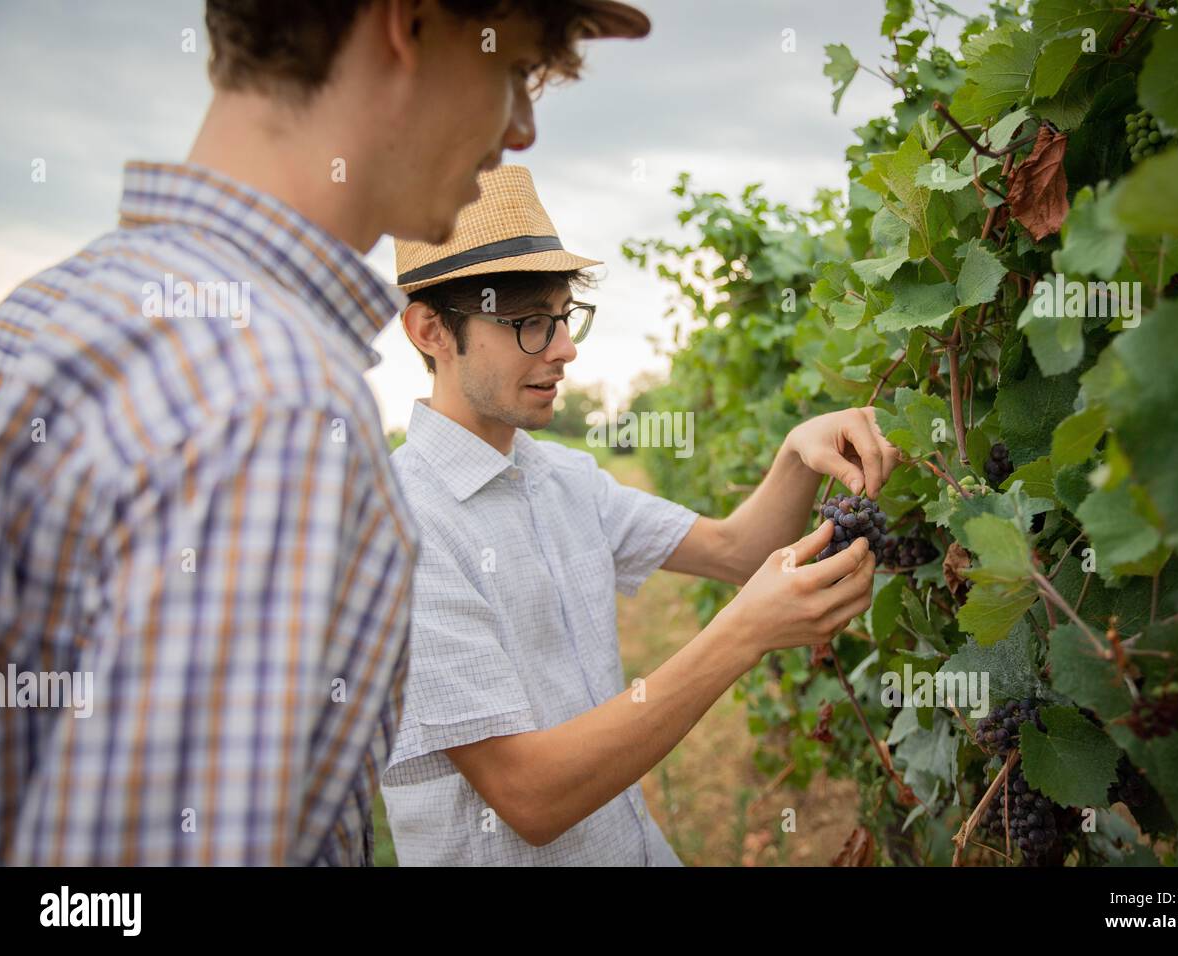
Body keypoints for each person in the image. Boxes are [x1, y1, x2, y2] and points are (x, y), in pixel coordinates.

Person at [0, 0, 652, 866]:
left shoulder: (40, 313)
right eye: (510, 70)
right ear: (404, 25)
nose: (520, 129)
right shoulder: (280, 405)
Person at [382, 164, 900, 865]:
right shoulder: (400, 529)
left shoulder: (565, 479)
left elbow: (736, 552)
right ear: (430, 332)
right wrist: (740, 634)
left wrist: (796, 456)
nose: (565, 348)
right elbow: (530, 795)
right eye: (531, 323)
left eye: (565, 317)